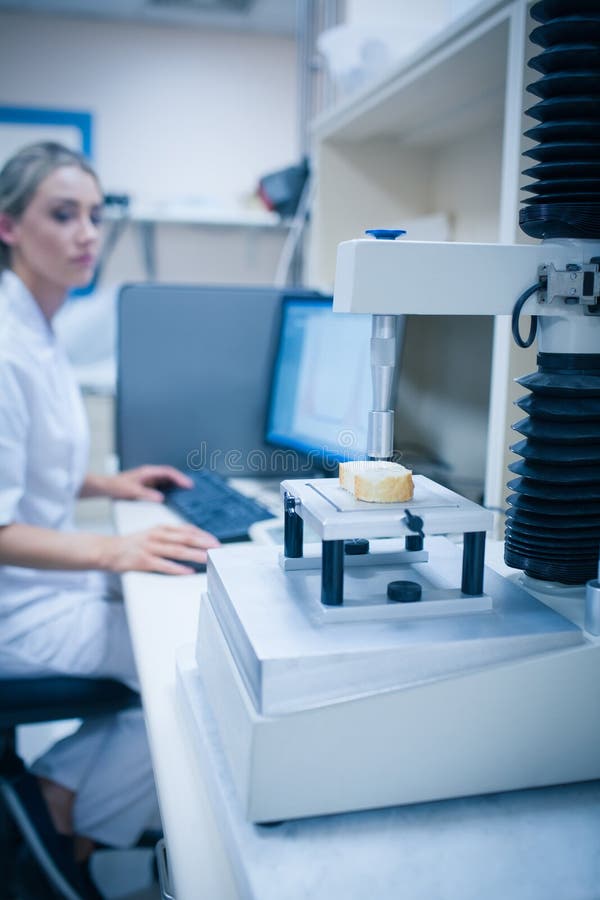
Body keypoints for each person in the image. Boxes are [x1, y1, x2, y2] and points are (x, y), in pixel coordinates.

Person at [0, 141, 220, 897]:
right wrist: (111, 551)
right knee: (194, 664)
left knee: (181, 621)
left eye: (95, 215)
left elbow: (28, 468)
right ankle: (75, 833)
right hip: (14, 607)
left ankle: (54, 800)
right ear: (8, 225)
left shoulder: (38, 325)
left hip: (38, 582)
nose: (87, 234)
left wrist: (107, 482)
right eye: (63, 215)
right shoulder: (6, 345)